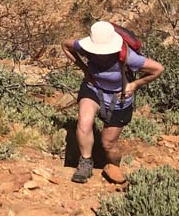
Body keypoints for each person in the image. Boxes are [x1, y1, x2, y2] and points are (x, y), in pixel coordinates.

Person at [62, 20, 164, 183]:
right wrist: (85, 70)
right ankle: (85, 162)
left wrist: (135, 84)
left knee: (108, 143)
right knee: (84, 123)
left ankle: (113, 166)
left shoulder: (128, 57)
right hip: (93, 88)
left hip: (118, 97)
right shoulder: (85, 47)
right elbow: (66, 45)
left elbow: (158, 69)